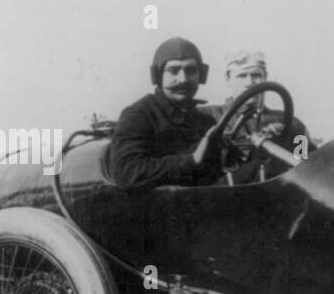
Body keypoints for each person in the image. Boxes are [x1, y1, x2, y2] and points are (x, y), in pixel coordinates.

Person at [106, 37, 230, 190]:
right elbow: (126, 173)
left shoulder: (205, 121)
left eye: (191, 70)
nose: (183, 79)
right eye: (173, 71)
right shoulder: (138, 115)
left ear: (201, 76)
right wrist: (191, 160)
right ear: (158, 76)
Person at [205, 50, 312, 181]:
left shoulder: (294, 125)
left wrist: (283, 138)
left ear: (265, 77)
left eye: (256, 75)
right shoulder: (206, 117)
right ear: (228, 79)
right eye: (241, 76)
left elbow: (307, 166)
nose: (249, 82)